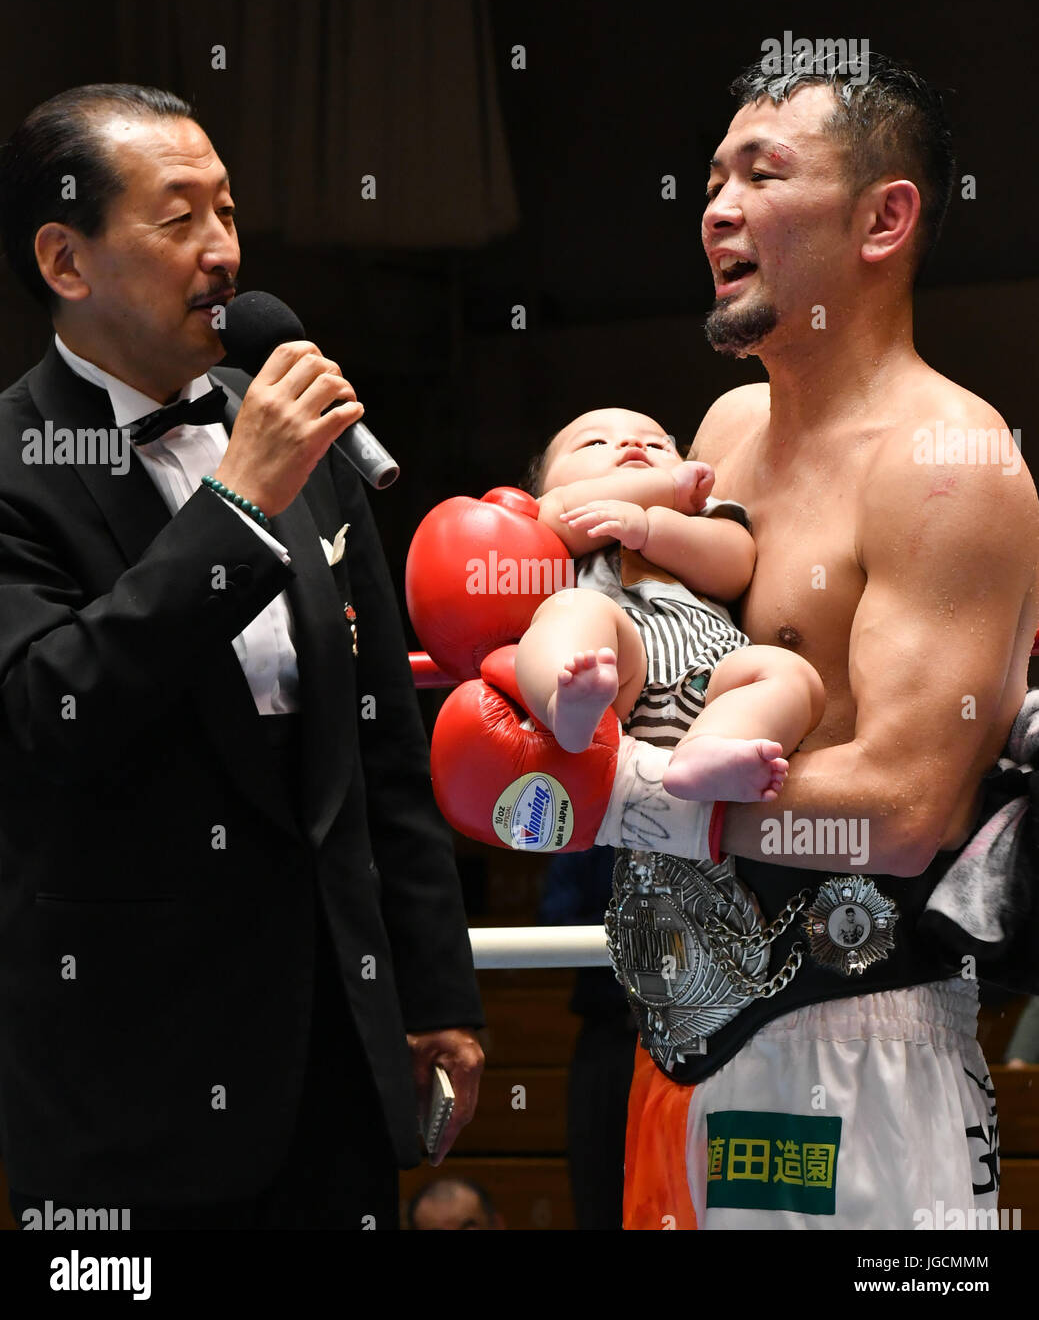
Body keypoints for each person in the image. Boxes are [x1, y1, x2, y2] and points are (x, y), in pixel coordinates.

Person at [0, 83, 484, 1230]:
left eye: (228, 213)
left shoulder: (292, 434)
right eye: (179, 220)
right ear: (67, 261)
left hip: (334, 1052)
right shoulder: (15, 464)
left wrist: (432, 991)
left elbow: (380, 746)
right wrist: (238, 503)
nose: (222, 253)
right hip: (127, 1082)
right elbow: (51, 709)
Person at [622, 49, 1039, 1229]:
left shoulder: (946, 462)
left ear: (882, 217)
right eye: (711, 178)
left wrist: (618, 796)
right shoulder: (729, 428)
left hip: (854, 1045)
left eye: (762, 173)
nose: (716, 208)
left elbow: (906, 812)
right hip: (687, 1032)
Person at [515, 406, 825, 802]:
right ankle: (565, 705)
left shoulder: (707, 516)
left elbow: (736, 565)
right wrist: (663, 486)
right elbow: (554, 517)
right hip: (618, 678)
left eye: (660, 444)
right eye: (595, 442)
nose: (632, 443)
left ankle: (711, 749)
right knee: (573, 610)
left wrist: (651, 527)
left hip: (714, 678)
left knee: (794, 675)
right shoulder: (555, 525)